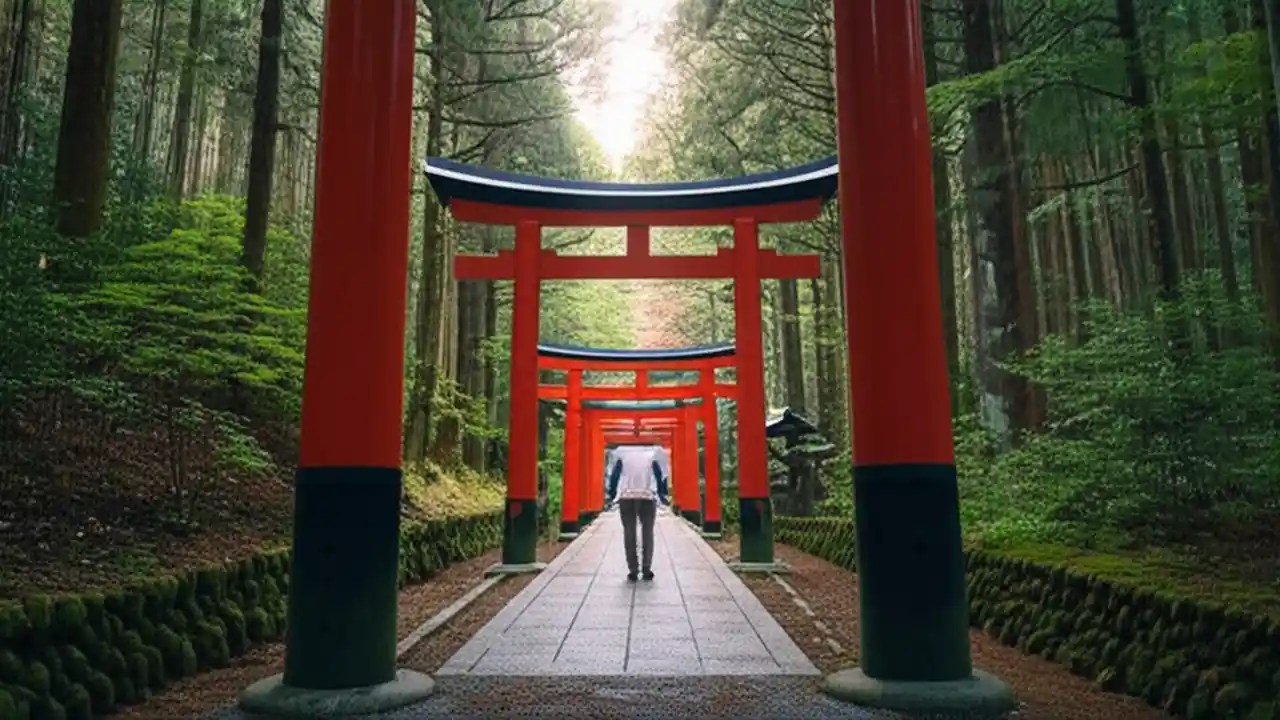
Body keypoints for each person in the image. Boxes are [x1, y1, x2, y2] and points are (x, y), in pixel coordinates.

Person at [606, 444, 669, 582]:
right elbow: (659, 475)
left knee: (629, 531)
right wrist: (662, 494)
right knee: (647, 532)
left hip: (626, 496)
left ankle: (633, 570)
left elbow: (615, 475)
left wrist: (611, 494)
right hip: (647, 495)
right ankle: (646, 568)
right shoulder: (654, 451)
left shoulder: (621, 451)